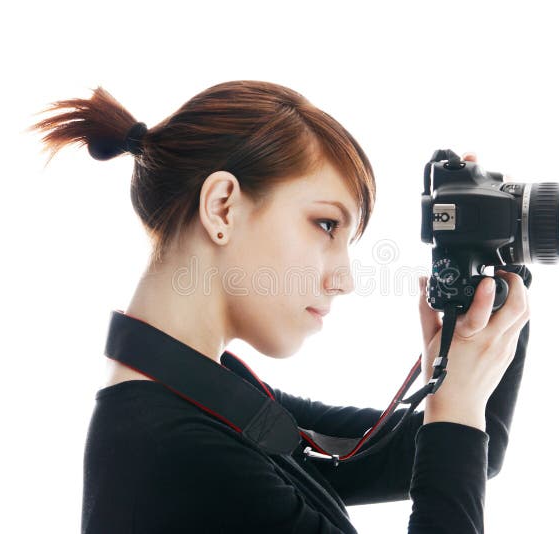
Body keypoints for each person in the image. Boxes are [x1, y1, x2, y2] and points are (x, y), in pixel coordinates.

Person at [29, 80, 532, 533]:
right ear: (222, 207)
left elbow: (438, 449)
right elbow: (452, 430)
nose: (345, 279)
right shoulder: (182, 453)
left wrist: (497, 270)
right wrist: (455, 409)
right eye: (327, 225)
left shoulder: (205, 395)